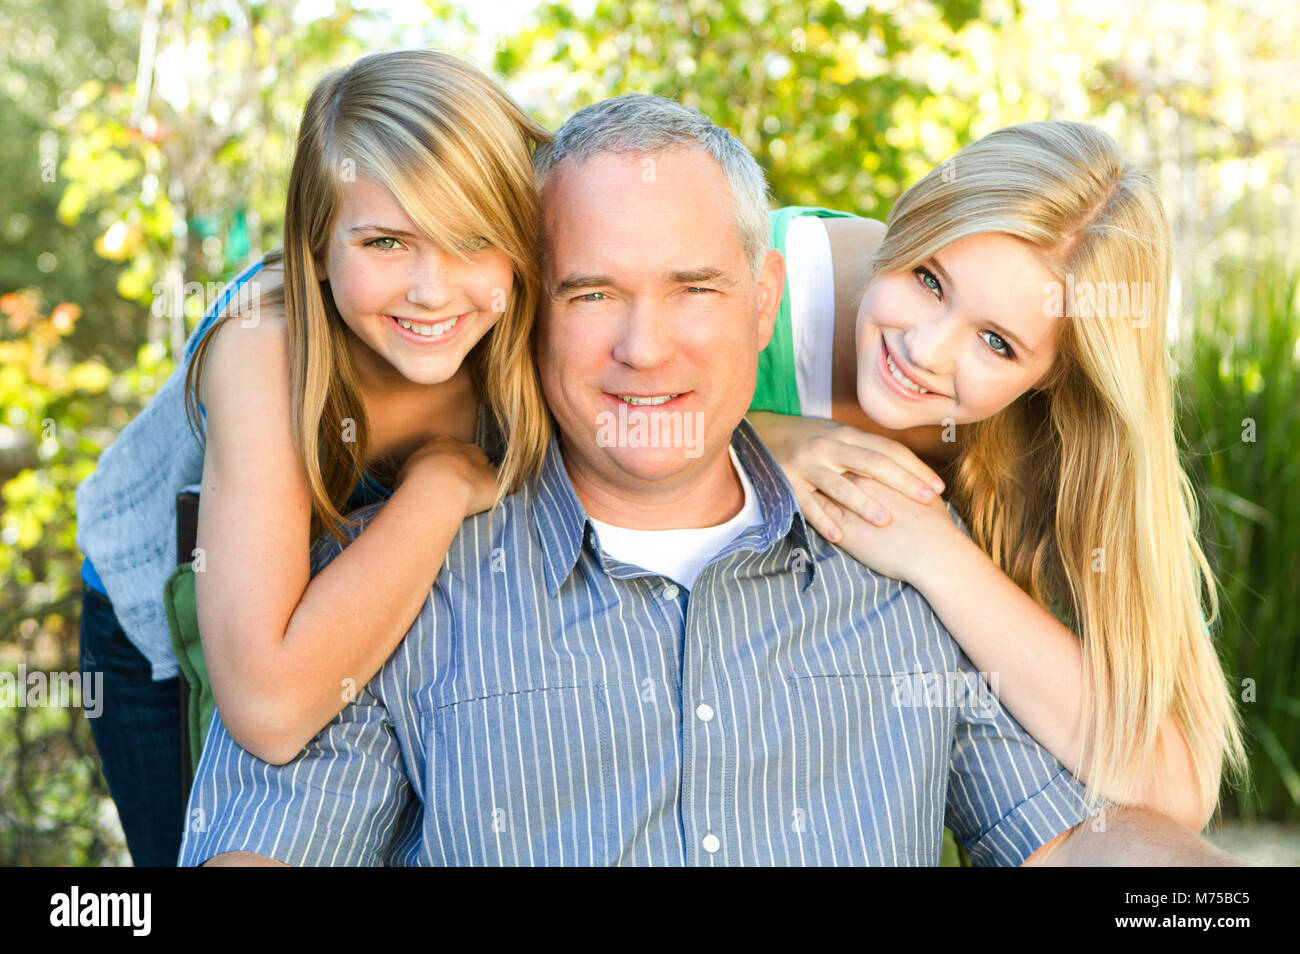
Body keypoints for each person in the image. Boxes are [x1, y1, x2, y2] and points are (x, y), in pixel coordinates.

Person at [178, 94, 1241, 867]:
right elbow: (275, 769)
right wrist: (754, 428)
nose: (925, 348)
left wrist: (932, 553)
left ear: (759, 298)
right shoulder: (397, 497)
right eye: (590, 290)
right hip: (186, 591)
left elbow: (1123, 816)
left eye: (696, 288)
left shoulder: (917, 553)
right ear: (526, 301)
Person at [73, 48, 551, 866]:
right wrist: (436, 486)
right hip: (159, 618)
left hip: (346, 587)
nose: (432, 291)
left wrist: (766, 435)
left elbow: (745, 252)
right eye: (387, 242)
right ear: (318, 242)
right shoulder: (265, 350)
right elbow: (269, 705)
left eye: (472, 237)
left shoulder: (529, 318)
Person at [745, 124, 1247, 833]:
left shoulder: (1050, 444)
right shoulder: (753, 280)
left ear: (1056, 378)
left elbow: (1174, 782)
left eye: (996, 342)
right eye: (928, 278)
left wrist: (937, 554)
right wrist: (741, 440)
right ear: (911, 218)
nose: (923, 349)